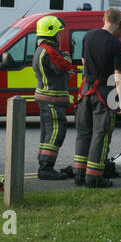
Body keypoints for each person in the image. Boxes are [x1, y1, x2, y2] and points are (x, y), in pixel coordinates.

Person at [73, 8, 121, 188]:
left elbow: (83, 62)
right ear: (119, 22)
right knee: (101, 135)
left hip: (85, 90)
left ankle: (79, 174)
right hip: (104, 93)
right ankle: (94, 177)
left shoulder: (88, 36)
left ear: (104, 18)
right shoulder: (116, 45)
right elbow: (118, 74)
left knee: (83, 134)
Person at [32, 15, 75, 180]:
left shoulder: (40, 49)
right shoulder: (49, 52)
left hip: (45, 99)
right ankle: (46, 168)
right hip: (52, 100)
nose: (60, 36)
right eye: (59, 33)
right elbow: (63, 64)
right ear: (51, 33)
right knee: (56, 132)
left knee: (47, 133)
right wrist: (67, 56)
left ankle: (44, 163)